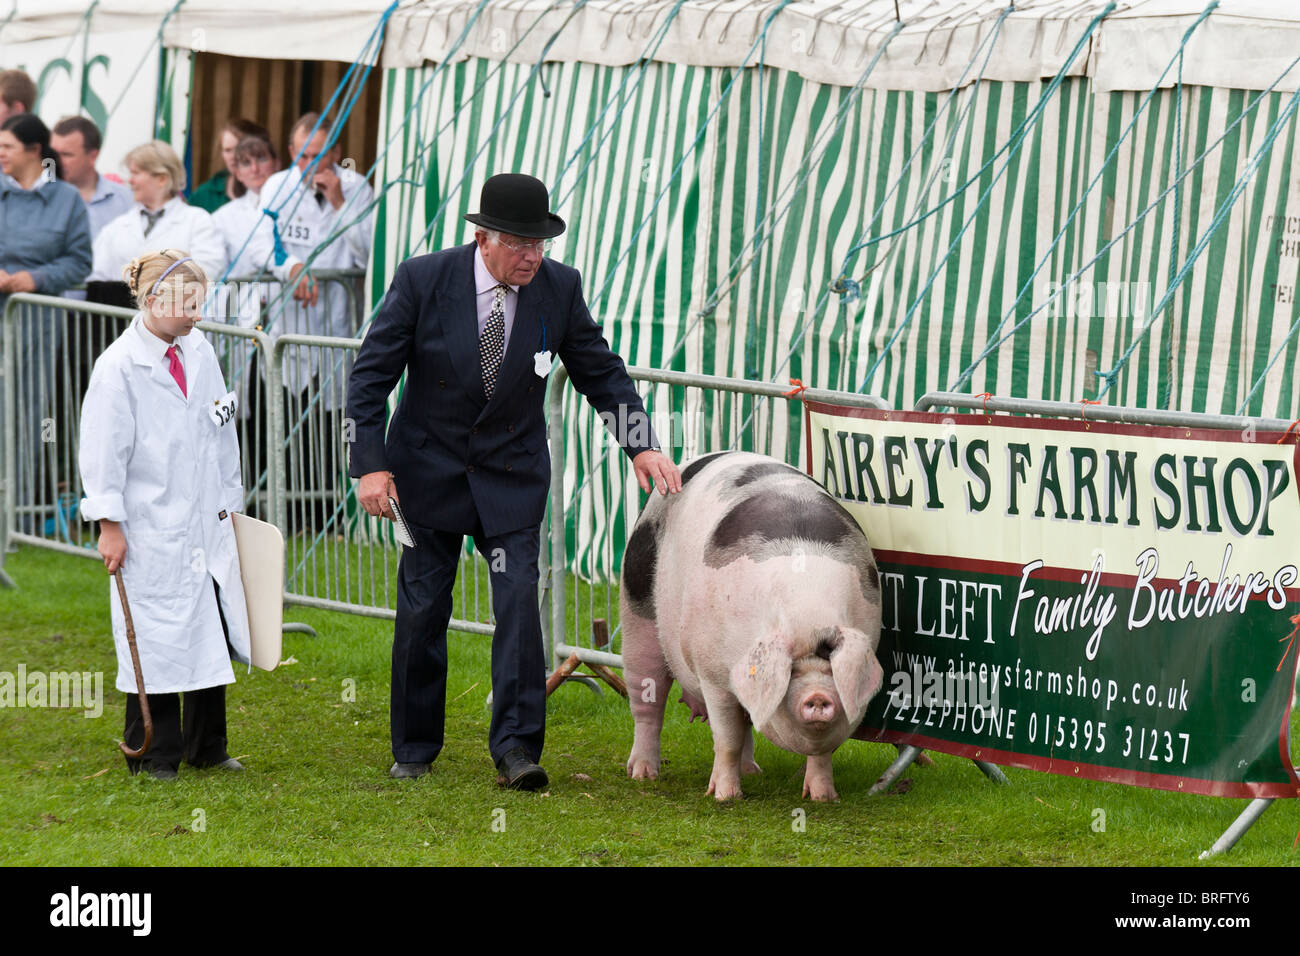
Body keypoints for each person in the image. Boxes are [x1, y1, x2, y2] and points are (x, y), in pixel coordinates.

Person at [347, 173, 682, 789]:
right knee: (423, 610)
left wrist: (641, 444)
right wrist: (370, 465)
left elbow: (601, 371)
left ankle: (518, 751)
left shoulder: (559, 288)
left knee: (519, 608)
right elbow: (369, 379)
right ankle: (414, 748)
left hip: (510, 479)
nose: (533, 256)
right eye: (520, 243)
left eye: (542, 243)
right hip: (426, 476)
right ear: (482, 238)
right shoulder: (424, 279)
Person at [78, 248, 252, 779]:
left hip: (205, 516)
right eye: (187, 304)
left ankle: (208, 745)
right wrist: (109, 525)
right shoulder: (118, 369)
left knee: (209, 625)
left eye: (201, 303)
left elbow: (221, 427)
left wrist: (231, 500)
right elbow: (104, 452)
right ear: (153, 301)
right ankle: (154, 751)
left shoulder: (199, 350)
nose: (197, 314)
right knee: (152, 633)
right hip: (149, 523)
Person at [244, 111, 374, 529]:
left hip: (338, 322)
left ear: (337, 153)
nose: (311, 165)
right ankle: (290, 515)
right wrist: (292, 267)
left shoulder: (356, 187)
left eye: (320, 155)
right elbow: (259, 245)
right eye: (303, 155)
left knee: (336, 422)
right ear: (290, 151)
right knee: (286, 416)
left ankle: (335, 514)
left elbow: (369, 251)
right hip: (291, 324)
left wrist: (338, 204)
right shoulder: (277, 187)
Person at [89, 140, 227, 305]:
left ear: (161, 178)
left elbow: (206, 270)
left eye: (136, 173)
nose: (130, 181)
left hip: (179, 321)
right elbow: (97, 275)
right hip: (123, 325)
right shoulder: (117, 227)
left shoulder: (198, 221)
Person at [51, 115, 133, 240]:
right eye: (53, 153)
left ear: (92, 156)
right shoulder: (38, 198)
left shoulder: (126, 201)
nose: (57, 161)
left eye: (66, 155)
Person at [188, 118, 269, 214]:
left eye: (240, 147)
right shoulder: (203, 195)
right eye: (228, 150)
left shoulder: (275, 188)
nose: (234, 156)